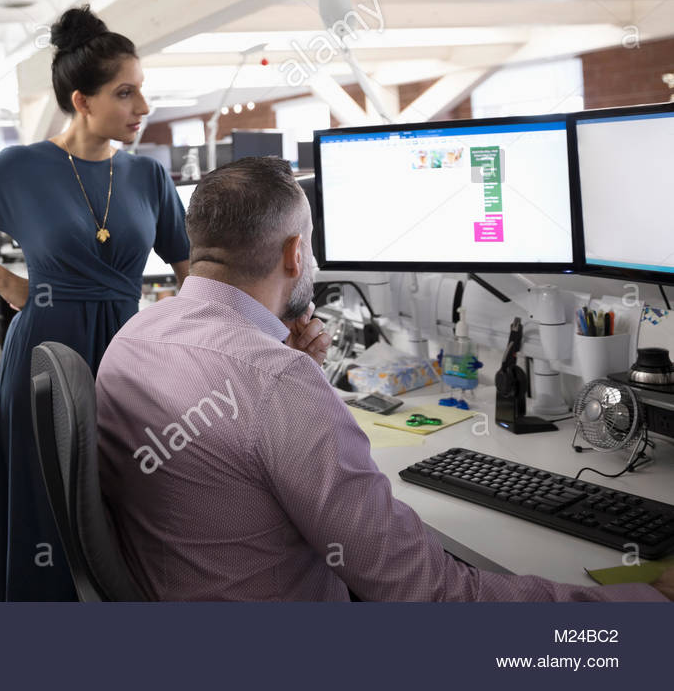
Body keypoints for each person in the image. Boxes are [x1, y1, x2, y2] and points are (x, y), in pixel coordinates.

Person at [96, 157, 674, 602]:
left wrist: (292, 371)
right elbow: (425, 593)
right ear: (295, 253)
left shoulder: (133, 338)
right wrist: (640, 603)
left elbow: (236, 435)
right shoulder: (275, 381)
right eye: (311, 245)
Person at [0, 5, 190, 601]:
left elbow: (193, 274)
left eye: (142, 90)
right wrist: (2, 281)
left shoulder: (149, 177)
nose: (142, 106)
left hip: (126, 359)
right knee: (46, 510)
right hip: (44, 356)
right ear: (82, 101)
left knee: (124, 509)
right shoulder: (22, 167)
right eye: (125, 93)